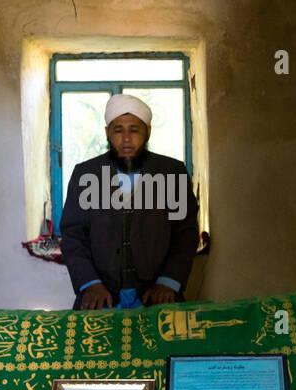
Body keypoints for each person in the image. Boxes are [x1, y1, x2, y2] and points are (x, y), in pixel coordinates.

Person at [59, 94, 199, 310]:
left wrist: (168, 282)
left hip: (158, 295)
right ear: (107, 133)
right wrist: (90, 284)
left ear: (148, 132)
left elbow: (186, 233)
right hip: (99, 297)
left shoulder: (172, 172)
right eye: (118, 130)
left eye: (134, 130)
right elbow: (73, 235)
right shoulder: (86, 173)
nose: (126, 139)